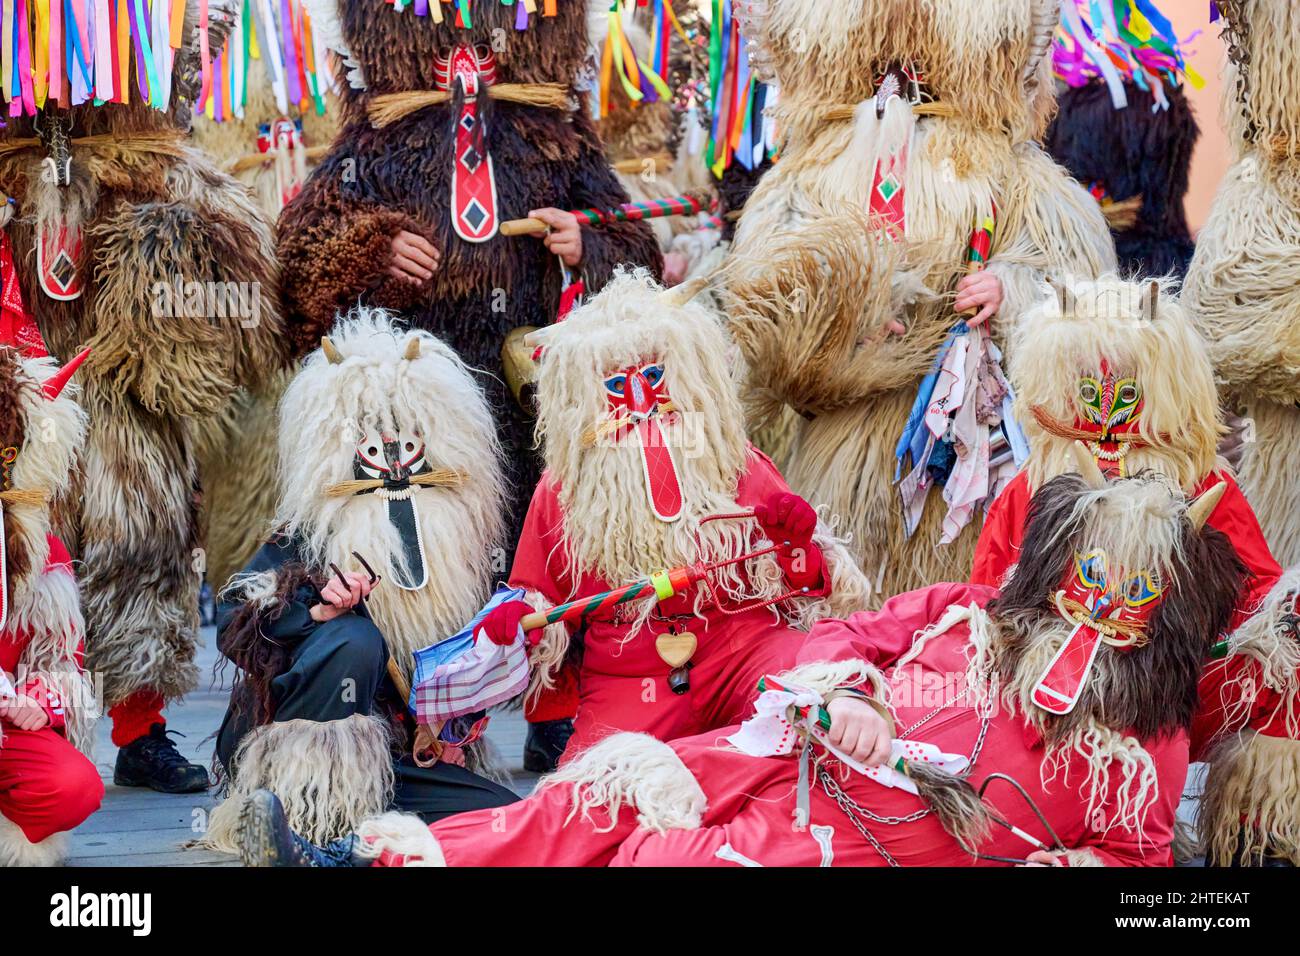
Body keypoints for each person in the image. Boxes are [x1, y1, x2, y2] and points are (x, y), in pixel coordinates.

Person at [237, 465, 1243, 867]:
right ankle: (370, 858)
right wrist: (850, 693)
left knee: (651, 858)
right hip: (785, 747)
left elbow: (1142, 865)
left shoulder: (1138, 741)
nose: (1101, 602)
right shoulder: (974, 611)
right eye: (1089, 573)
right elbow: (840, 634)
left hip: (852, 839)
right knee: (596, 793)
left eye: (1135, 590)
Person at [722, 0, 1115, 603]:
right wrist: (834, 306)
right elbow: (762, 280)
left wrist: (1009, 287)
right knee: (841, 577)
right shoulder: (812, 168)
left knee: (946, 588)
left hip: (960, 434)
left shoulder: (1007, 167)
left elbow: (1079, 276)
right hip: (842, 426)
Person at [0, 0, 289, 793]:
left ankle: (142, 728)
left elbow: (243, 305)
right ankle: (32, 723)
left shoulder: (162, 162)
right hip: (20, 388)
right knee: (23, 554)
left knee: (143, 546)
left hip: (128, 395)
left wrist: (162, 290)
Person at [969, 274, 1300, 866]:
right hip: (1053, 697)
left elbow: (1260, 598)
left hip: (1180, 688)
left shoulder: (1205, 486)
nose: (1106, 415)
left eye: (1124, 392)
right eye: (1088, 391)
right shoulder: (1028, 489)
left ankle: (1257, 828)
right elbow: (985, 600)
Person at [492, 269, 872, 768]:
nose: (641, 402)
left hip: (745, 648)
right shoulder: (563, 487)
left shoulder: (735, 459)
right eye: (616, 386)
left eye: (653, 378)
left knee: (806, 712)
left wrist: (797, 553)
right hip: (632, 673)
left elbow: (814, 584)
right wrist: (525, 619)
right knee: (598, 791)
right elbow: (538, 593)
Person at [203, 309, 516, 851]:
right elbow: (233, 619)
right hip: (303, 762)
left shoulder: (470, 546)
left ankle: (360, 835)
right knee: (355, 638)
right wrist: (312, 613)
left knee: (502, 815)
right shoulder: (309, 533)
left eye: (408, 443)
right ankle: (309, 814)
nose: (394, 462)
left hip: (403, 758)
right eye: (374, 447)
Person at [0, 337, 102, 865]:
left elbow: (66, 663)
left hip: (7, 726)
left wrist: (39, 700)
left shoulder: (45, 553)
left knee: (74, 786)